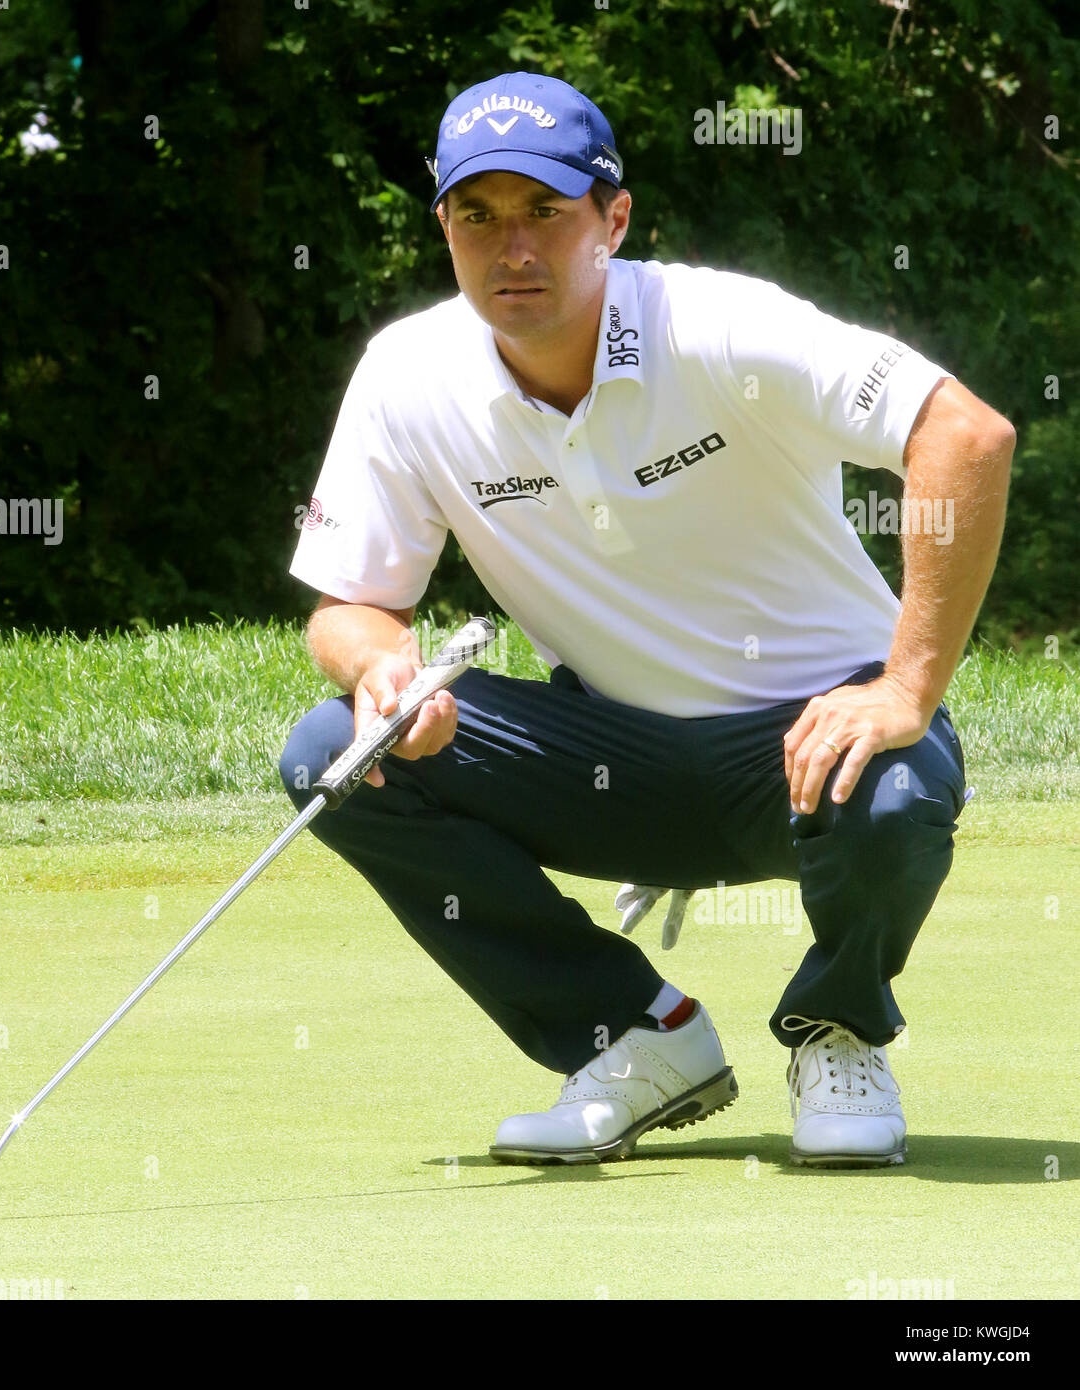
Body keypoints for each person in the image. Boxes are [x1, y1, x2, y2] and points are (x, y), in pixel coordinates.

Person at [278, 72, 1014, 1167]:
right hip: (613, 760)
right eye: (476, 215)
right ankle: (634, 1034)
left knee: (898, 791)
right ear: (443, 226)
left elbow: (966, 434)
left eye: (545, 212)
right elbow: (351, 603)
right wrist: (384, 668)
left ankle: (840, 1027)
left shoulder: (716, 326)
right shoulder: (405, 375)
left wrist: (905, 686)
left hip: (814, 746)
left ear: (613, 220)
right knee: (338, 752)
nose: (509, 246)